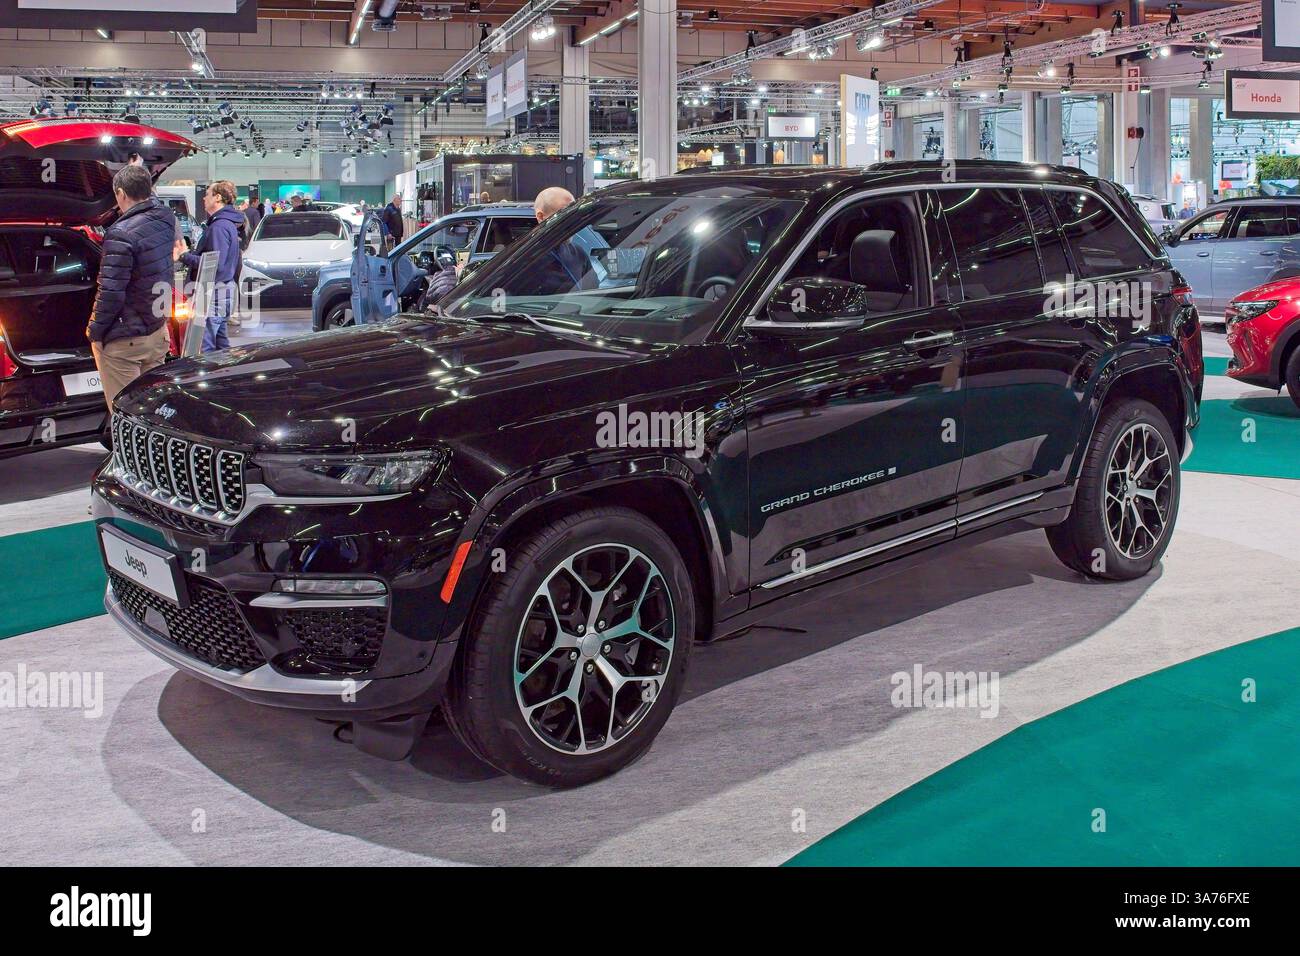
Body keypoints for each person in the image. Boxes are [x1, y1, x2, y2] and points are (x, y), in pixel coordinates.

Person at [87, 164, 176, 412]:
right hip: (157, 331)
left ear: (121, 194)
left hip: (125, 339)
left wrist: (95, 330)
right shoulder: (166, 218)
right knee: (154, 411)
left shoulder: (120, 233)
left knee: (125, 414)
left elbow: (111, 292)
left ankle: (127, 452)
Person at [177, 180, 244, 352]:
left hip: (214, 293)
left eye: (207, 194)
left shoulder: (219, 227)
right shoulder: (226, 224)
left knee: (204, 348)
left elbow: (213, 265)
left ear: (218, 198)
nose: (204, 198)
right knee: (221, 348)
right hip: (223, 291)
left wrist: (184, 256)